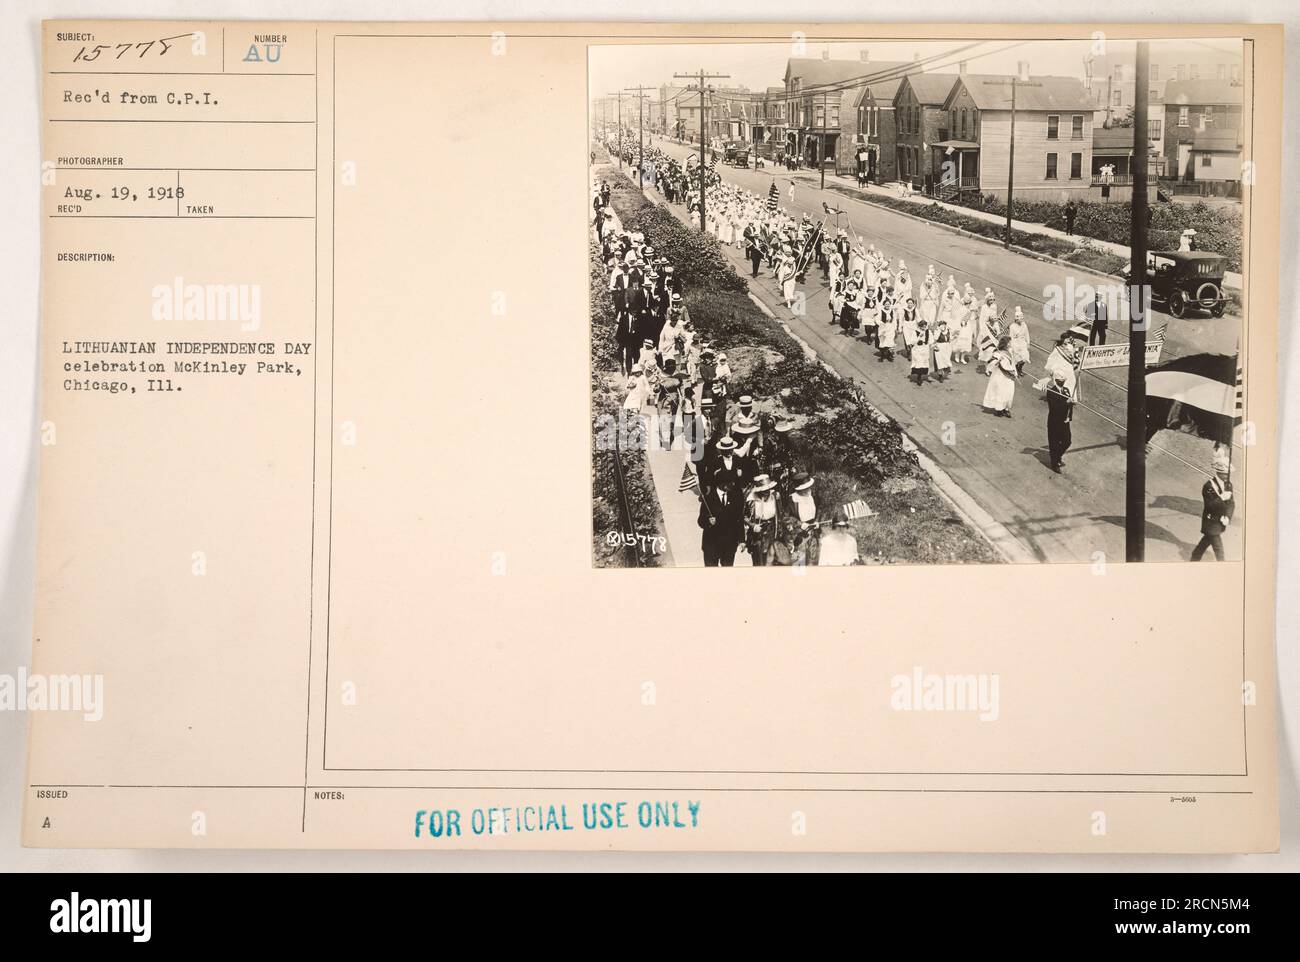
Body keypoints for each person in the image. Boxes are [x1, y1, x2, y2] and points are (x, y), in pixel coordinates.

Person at [1191, 451, 1234, 561]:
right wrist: (1221, 498)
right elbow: (1209, 506)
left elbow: (1231, 504)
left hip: (1220, 522)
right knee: (1219, 551)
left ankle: (1194, 559)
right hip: (1211, 522)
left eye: (1228, 474)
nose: (1227, 476)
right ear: (1219, 472)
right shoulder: (1209, 486)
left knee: (1203, 544)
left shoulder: (1228, 484)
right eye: (1225, 473)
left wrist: (1228, 517)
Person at [1045, 368, 1074, 473]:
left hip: (1065, 421)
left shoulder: (1066, 390)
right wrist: (1066, 402)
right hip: (1055, 422)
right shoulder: (1051, 391)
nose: (1063, 382)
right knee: (1054, 443)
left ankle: (1057, 455)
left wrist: (1071, 404)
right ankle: (1054, 463)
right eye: (1061, 381)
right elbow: (1054, 408)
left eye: (1064, 380)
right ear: (1056, 380)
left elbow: (1069, 404)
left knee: (1067, 441)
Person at [982, 335, 1018, 417]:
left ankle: (1006, 409)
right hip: (1000, 375)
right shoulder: (998, 352)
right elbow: (991, 362)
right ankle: (999, 409)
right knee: (1000, 392)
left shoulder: (1010, 351)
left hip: (1009, 375)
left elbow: (1012, 363)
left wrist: (1014, 372)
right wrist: (997, 361)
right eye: (1010, 342)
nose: (1011, 343)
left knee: (1009, 392)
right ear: (1007, 343)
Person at [1007, 306, 1031, 375]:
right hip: (1016, 344)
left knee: (1024, 358)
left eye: (1022, 318)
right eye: (1020, 319)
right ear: (1016, 319)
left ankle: (1019, 368)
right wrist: (1011, 346)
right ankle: (1015, 369)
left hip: (1023, 343)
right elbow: (1011, 337)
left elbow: (1027, 334)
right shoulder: (1012, 326)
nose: (1022, 320)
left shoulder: (1024, 325)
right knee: (1016, 359)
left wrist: (1028, 343)